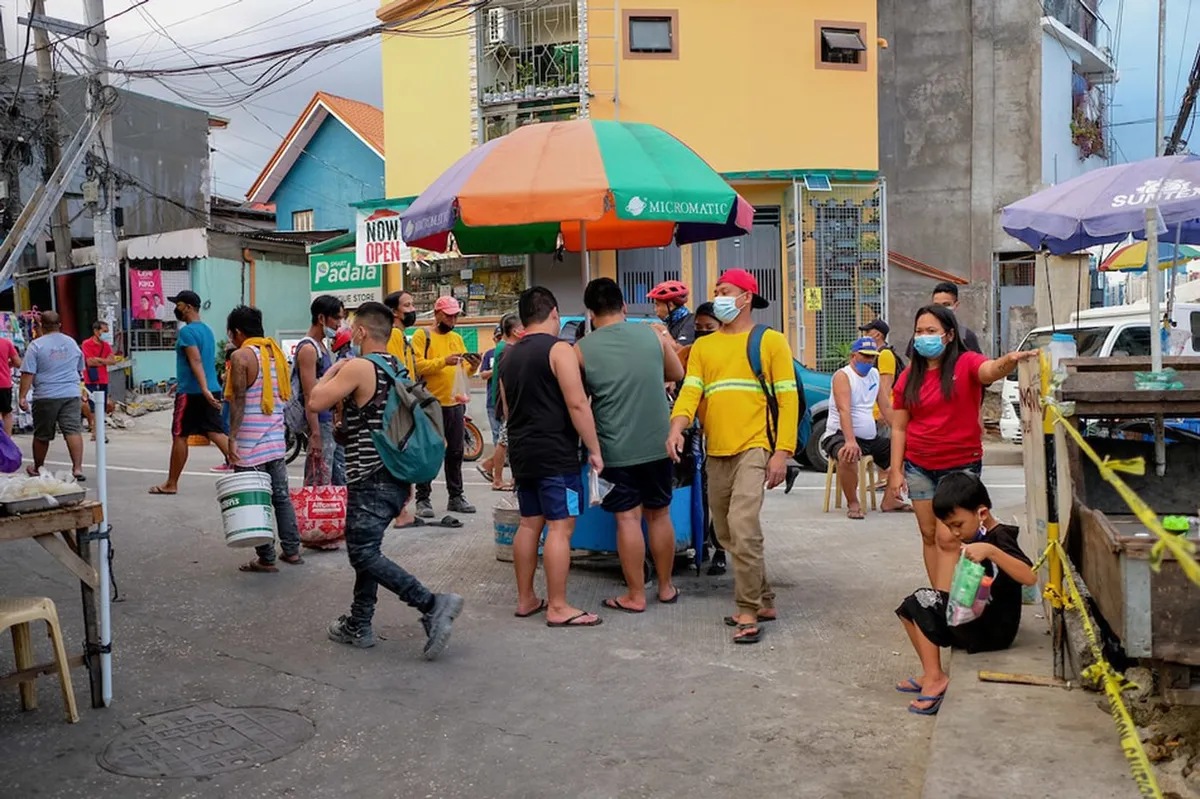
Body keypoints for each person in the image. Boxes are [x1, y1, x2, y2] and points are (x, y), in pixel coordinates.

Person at [306, 301, 464, 658]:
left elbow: (315, 401)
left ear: (361, 332)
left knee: (362, 553)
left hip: (369, 476)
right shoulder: (397, 367)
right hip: (394, 476)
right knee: (368, 553)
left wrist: (335, 368)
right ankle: (358, 623)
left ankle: (431, 603)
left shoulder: (360, 367)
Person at [667, 269, 798, 644]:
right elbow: (690, 393)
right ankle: (766, 598)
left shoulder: (770, 341)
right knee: (724, 532)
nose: (719, 296)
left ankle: (747, 609)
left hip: (755, 446)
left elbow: (787, 398)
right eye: (716, 291)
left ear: (746, 297)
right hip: (716, 449)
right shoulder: (704, 348)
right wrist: (676, 427)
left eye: (725, 291)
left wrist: (782, 452)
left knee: (742, 525)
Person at [887, 304, 1038, 588]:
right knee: (929, 534)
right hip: (919, 466)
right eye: (919, 332)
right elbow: (898, 427)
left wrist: (1009, 360)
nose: (924, 337)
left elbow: (989, 370)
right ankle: (938, 598)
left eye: (931, 331)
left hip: (960, 466)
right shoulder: (908, 377)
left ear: (949, 335)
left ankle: (953, 602)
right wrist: (895, 470)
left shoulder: (966, 363)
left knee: (950, 536)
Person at [577, 278, 684, 612]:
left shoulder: (583, 349)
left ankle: (636, 595)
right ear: (624, 306)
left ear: (591, 314)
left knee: (627, 519)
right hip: (658, 443)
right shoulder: (651, 335)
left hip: (615, 448)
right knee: (660, 514)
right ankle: (666, 587)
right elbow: (677, 371)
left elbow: (579, 398)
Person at [499, 286, 604, 628]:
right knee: (561, 526)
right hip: (556, 453)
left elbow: (505, 409)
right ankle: (557, 606)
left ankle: (526, 598)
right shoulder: (560, 350)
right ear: (554, 313)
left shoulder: (508, 355)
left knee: (530, 523)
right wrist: (594, 448)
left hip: (523, 452)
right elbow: (577, 404)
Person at [895, 473, 1035, 715]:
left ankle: (936, 679)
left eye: (957, 525)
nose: (955, 532)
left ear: (981, 513)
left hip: (992, 630)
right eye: (950, 527)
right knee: (909, 609)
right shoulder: (976, 537)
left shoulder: (999, 538)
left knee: (921, 601)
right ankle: (931, 673)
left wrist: (991, 551)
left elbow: (1029, 576)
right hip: (975, 618)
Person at [224, 305, 305, 574]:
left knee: (255, 500)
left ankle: (266, 557)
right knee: (281, 497)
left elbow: (238, 399)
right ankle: (292, 551)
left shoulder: (241, 356)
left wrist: (232, 438)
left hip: (250, 441)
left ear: (237, 332)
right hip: (275, 440)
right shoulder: (276, 354)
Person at [150, 291, 234, 495]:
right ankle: (244, 470)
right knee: (215, 431)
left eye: (177, 305)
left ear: (187, 307)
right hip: (209, 388)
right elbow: (201, 361)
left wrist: (202, 389)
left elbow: (196, 360)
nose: (175, 309)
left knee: (180, 434)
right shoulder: (207, 330)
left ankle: (171, 483)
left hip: (193, 392)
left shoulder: (187, 332)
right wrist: (199, 386)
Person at [822, 337, 907, 519]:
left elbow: (885, 407)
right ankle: (853, 502)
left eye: (872, 357)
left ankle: (889, 500)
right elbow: (844, 410)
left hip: (870, 437)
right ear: (854, 355)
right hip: (839, 434)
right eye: (865, 356)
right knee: (848, 454)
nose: (868, 361)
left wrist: (903, 433)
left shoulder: (874, 375)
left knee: (906, 450)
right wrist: (850, 441)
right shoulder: (843, 376)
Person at [411, 296, 480, 517]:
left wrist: (472, 367)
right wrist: (443, 361)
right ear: (437, 313)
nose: (452, 319)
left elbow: (461, 371)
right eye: (449, 315)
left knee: (456, 451)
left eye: (455, 315)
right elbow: (416, 365)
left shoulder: (457, 339)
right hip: (430, 404)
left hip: (454, 402)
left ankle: (456, 496)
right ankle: (423, 498)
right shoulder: (423, 335)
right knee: (429, 451)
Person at [679, 302, 727, 576]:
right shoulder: (689, 353)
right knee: (701, 493)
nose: (702, 333)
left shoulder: (728, 356)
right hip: (694, 434)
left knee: (719, 497)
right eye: (698, 328)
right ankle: (702, 544)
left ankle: (720, 549)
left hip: (721, 434)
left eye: (709, 328)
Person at [19, 312, 86, 479]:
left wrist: (22, 396)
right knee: (73, 431)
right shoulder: (71, 343)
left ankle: (38, 467)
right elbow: (80, 367)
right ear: (60, 325)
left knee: (42, 434)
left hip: (46, 395)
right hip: (71, 394)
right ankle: (77, 468)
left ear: (41, 325)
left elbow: (28, 373)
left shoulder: (36, 346)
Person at [294, 295, 346, 486]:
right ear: (321, 318)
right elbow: (310, 395)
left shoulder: (322, 347)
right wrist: (315, 433)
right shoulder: (308, 349)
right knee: (319, 479)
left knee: (336, 476)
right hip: (319, 422)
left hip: (328, 421)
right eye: (336, 319)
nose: (339, 324)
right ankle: (316, 516)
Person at [479, 313, 522, 488]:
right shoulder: (507, 350)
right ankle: (497, 478)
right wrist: (506, 407)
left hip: (502, 402)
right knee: (504, 441)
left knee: (506, 441)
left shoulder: (502, 348)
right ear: (515, 331)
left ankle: (491, 467)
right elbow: (505, 380)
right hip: (506, 403)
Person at [906, 282, 982, 356]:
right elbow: (912, 364)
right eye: (936, 305)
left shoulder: (965, 336)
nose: (941, 309)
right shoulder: (921, 336)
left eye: (946, 305)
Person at [858, 318, 902, 428]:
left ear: (877, 335)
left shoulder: (885, 354)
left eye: (868, 332)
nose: (864, 335)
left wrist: (883, 412)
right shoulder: (877, 354)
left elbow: (885, 385)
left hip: (882, 414)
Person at [81, 320, 118, 442]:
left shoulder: (106, 345)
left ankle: (96, 432)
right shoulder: (86, 344)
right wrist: (104, 360)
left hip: (103, 379)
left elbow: (113, 361)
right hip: (91, 379)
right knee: (93, 407)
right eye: (104, 331)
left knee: (101, 406)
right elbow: (89, 362)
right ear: (96, 331)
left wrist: (98, 360)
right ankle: (97, 431)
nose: (106, 334)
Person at [647, 280, 695, 347]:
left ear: (670, 305)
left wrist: (663, 330)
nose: (655, 310)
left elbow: (679, 351)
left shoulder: (690, 322)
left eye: (657, 305)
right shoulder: (672, 323)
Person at [0, 333, 22, 435]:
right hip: (3, 384)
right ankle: (7, 442)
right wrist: (7, 365)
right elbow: (18, 363)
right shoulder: (6, 343)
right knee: (7, 413)